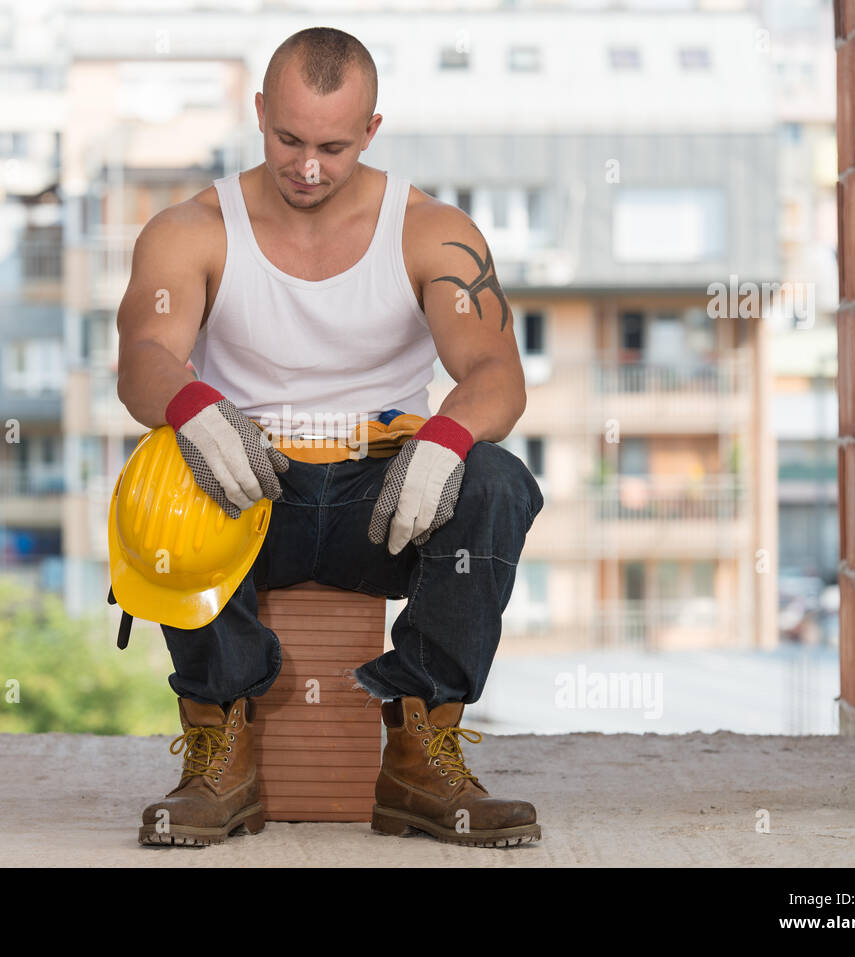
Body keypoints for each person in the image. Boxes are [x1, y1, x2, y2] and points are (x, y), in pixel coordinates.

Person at [115, 26, 544, 848]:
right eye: (288, 139)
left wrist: (447, 437)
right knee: (158, 467)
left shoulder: (431, 231)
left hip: (386, 500)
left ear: (372, 132)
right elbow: (142, 362)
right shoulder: (191, 227)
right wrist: (195, 403)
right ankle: (221, 748)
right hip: (246, 491)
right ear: (260, 113)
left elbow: (497, 372)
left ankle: (420, 749)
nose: (308, 167)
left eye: (334, 146)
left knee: (496, 481)